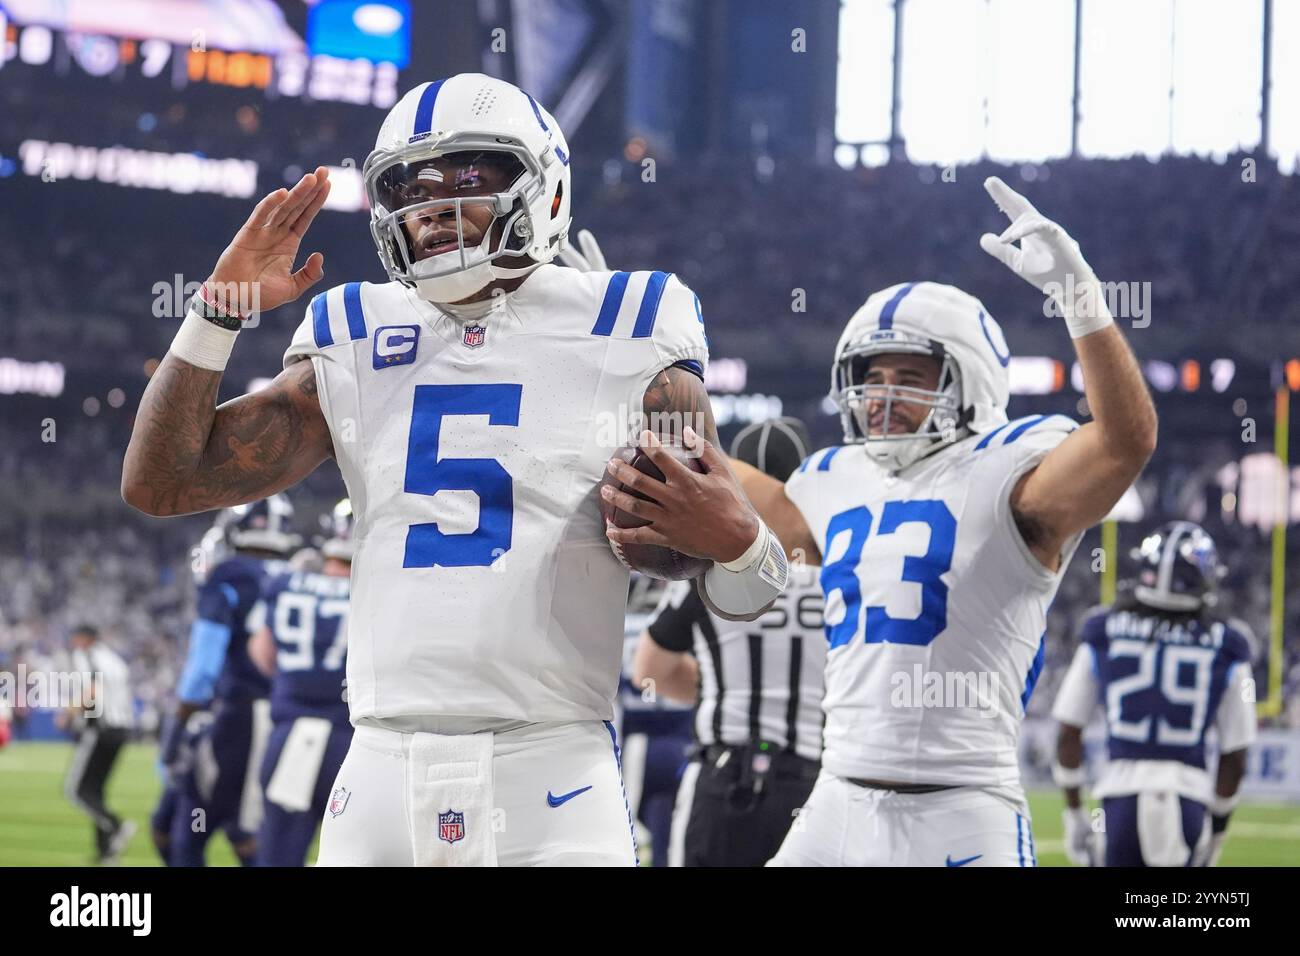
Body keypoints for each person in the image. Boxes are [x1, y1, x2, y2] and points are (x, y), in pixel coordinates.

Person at [122, 73, 780, 866]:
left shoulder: (632, 319)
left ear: (548, 191)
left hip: (551, 773)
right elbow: (160, 484)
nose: (430, 206)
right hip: (378, 775)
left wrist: (735, 548)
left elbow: (726, 568)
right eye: (405, 186)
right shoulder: (354, 327)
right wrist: (217, 310)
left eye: (468, 177)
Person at [723, 178, 1157, 866]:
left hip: (962, 807)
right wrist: (642, 376)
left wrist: (1081, 299)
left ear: (972, 381)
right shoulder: (834, 477)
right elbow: (729, 490)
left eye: (912, 373)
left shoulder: (1011, 466)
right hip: (836, 800)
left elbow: (1122, 444)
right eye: (870, 372)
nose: (882, 392)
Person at [636, 417, 826, 867]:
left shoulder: (708, 568)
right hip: (814, 784)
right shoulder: (841, 567)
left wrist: (726, 690)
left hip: (723, 779)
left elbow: (650, 671)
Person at [1051, 521, 1256, 867]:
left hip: (1118, 801)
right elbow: (1235, 757)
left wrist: (1073, 813)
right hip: (1186, 797)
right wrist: (1218, 829)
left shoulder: (1103, 629)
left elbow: (1068, 732)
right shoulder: (1228, 644)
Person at [160, 496, 296, 866]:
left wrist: (178, 727)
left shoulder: (229, 576)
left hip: (239, 717)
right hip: (284, 721)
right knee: (246, 829)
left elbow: (203, 668)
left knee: (188, 830)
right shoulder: (292, 579)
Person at [249, 499, 355, 866]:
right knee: (357, 854)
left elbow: (263, 654)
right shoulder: (379, 591)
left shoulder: (285, 583)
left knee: (279, 853)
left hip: (293, 735)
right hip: (357, 744)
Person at [64, 625, 136, 864]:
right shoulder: (114, 659)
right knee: (96, 792)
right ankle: (106, 851)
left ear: (84, 639)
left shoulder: (86, 655)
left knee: (77, 790)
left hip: (101, 728)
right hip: (121, 729)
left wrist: (69, 713)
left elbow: (91, 691)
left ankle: (116, 826)